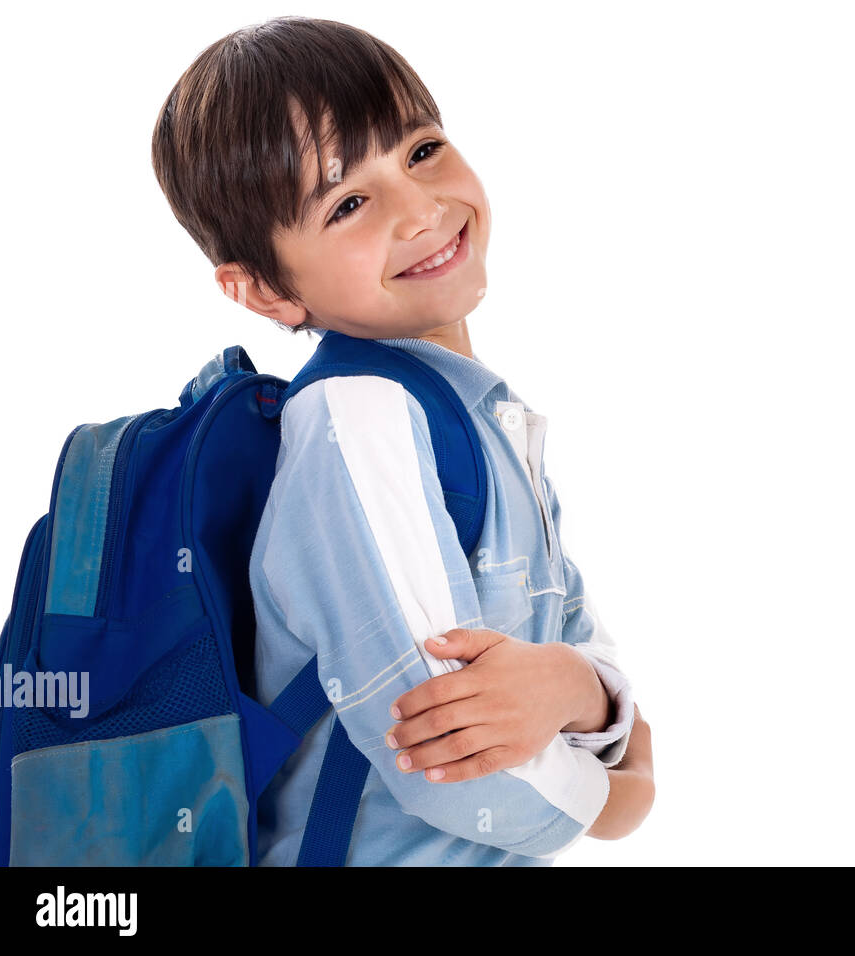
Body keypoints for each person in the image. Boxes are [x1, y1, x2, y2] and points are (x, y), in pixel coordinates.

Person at [150, 16, 655, 865]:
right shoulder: (358, 420)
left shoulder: (488, 418)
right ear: (264, 290)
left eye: (420, 151)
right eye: (349, 203)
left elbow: (586, 658)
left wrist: (576, 691)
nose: (422, 209)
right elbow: (450, 760)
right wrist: (621, 792)